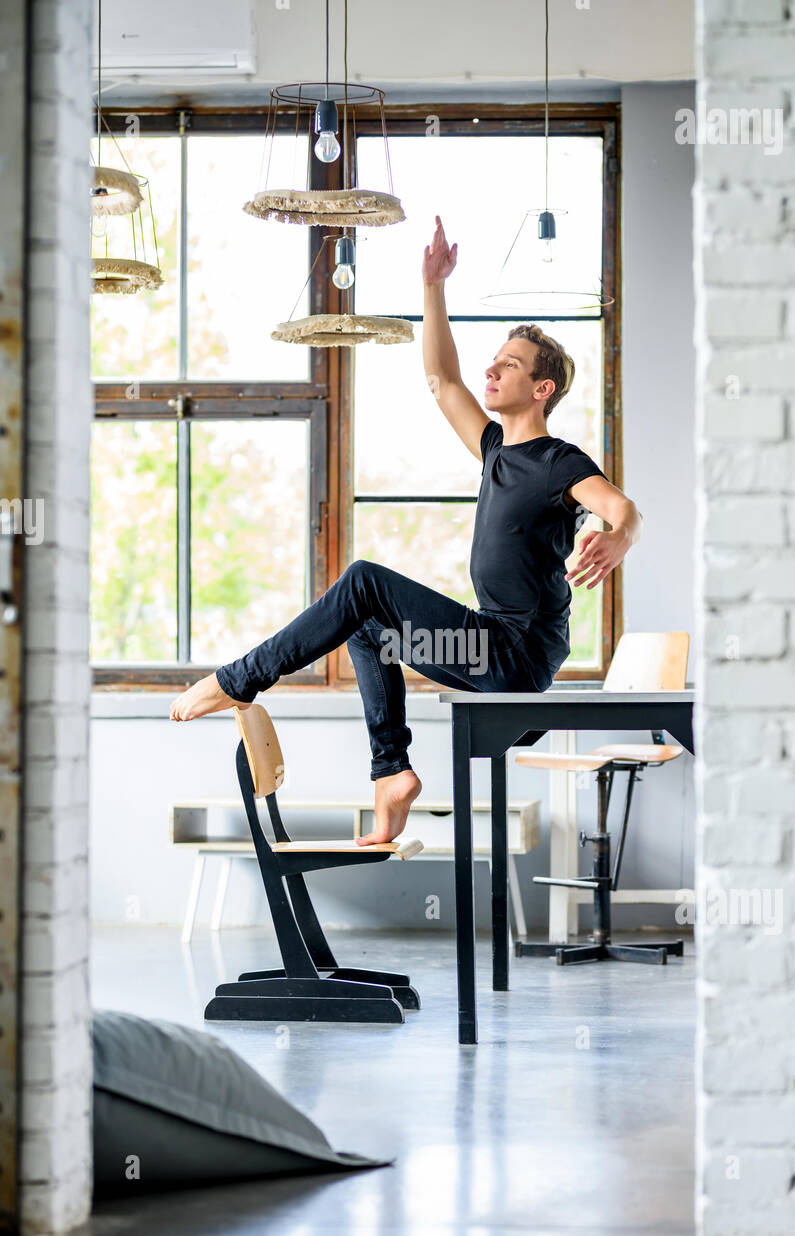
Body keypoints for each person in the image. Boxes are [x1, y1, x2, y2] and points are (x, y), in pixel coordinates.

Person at [170, 215, 643, 847]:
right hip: (483, 650)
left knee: (363, 581)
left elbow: (623, 508)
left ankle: (237, 679)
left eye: (510, 365)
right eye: (496, 360)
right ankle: (392, 771)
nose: (492, 371)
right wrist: (432, 287)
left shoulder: (560, 462)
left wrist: (617, 536)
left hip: (514, 657)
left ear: (542, 387)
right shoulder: (497, 450)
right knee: (366, 627)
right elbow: (441, 380)